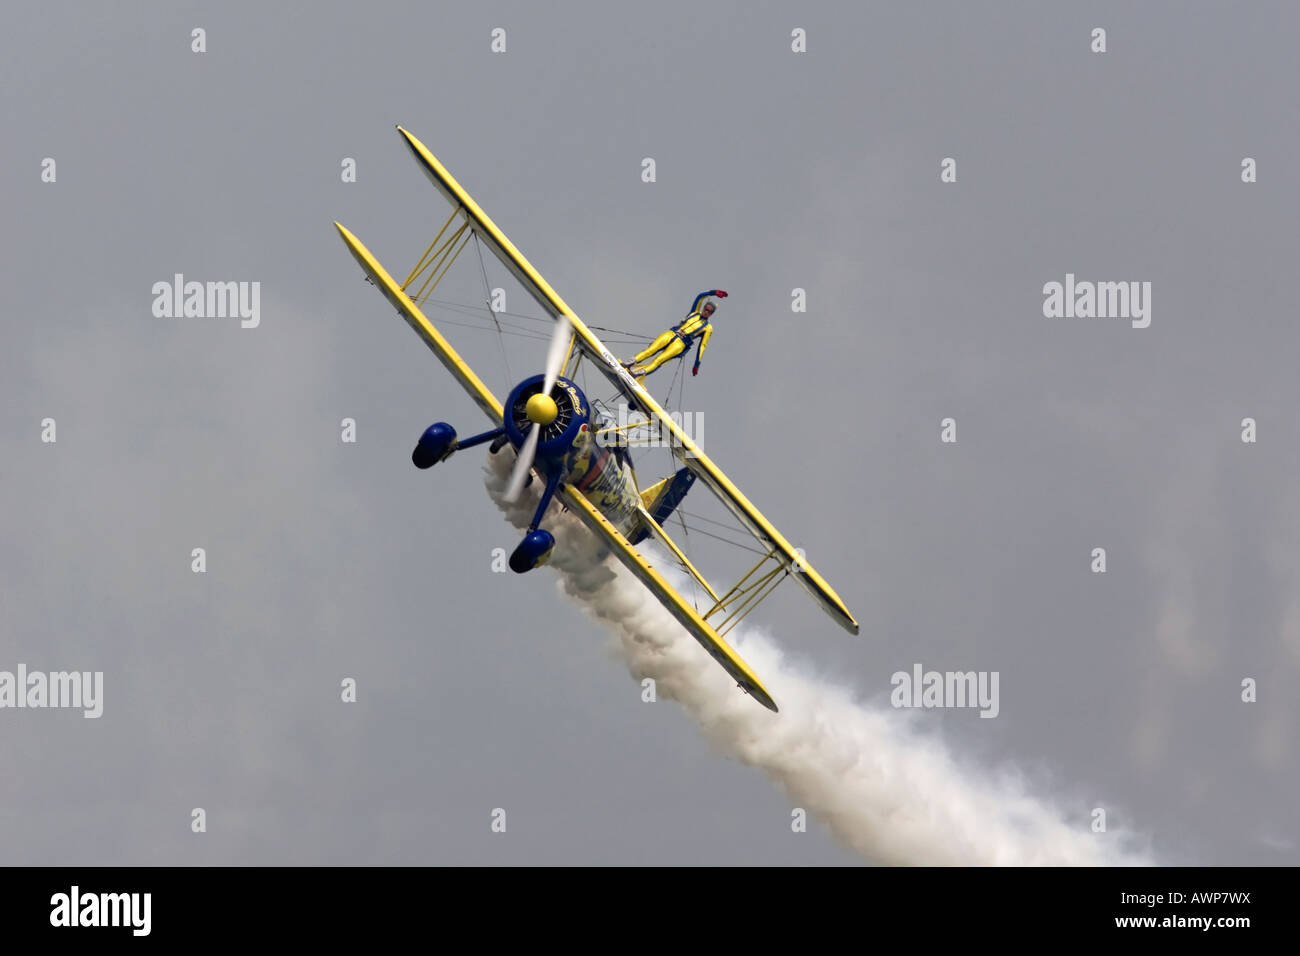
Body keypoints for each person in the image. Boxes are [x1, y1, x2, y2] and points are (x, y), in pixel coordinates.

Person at [624, 290, 727, 379]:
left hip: (680, 343)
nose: (706, 312)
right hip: (672, 333)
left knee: (660, 359)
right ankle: (628, 363)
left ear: (711, 314)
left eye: (709, 311)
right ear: (703, 308)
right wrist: (713, 292)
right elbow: (700, 296)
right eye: (706, 309)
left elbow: (702, 346)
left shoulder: (708, 328)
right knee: (651, 349)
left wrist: (697, 364)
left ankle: (637, 374)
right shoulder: (694, 312)